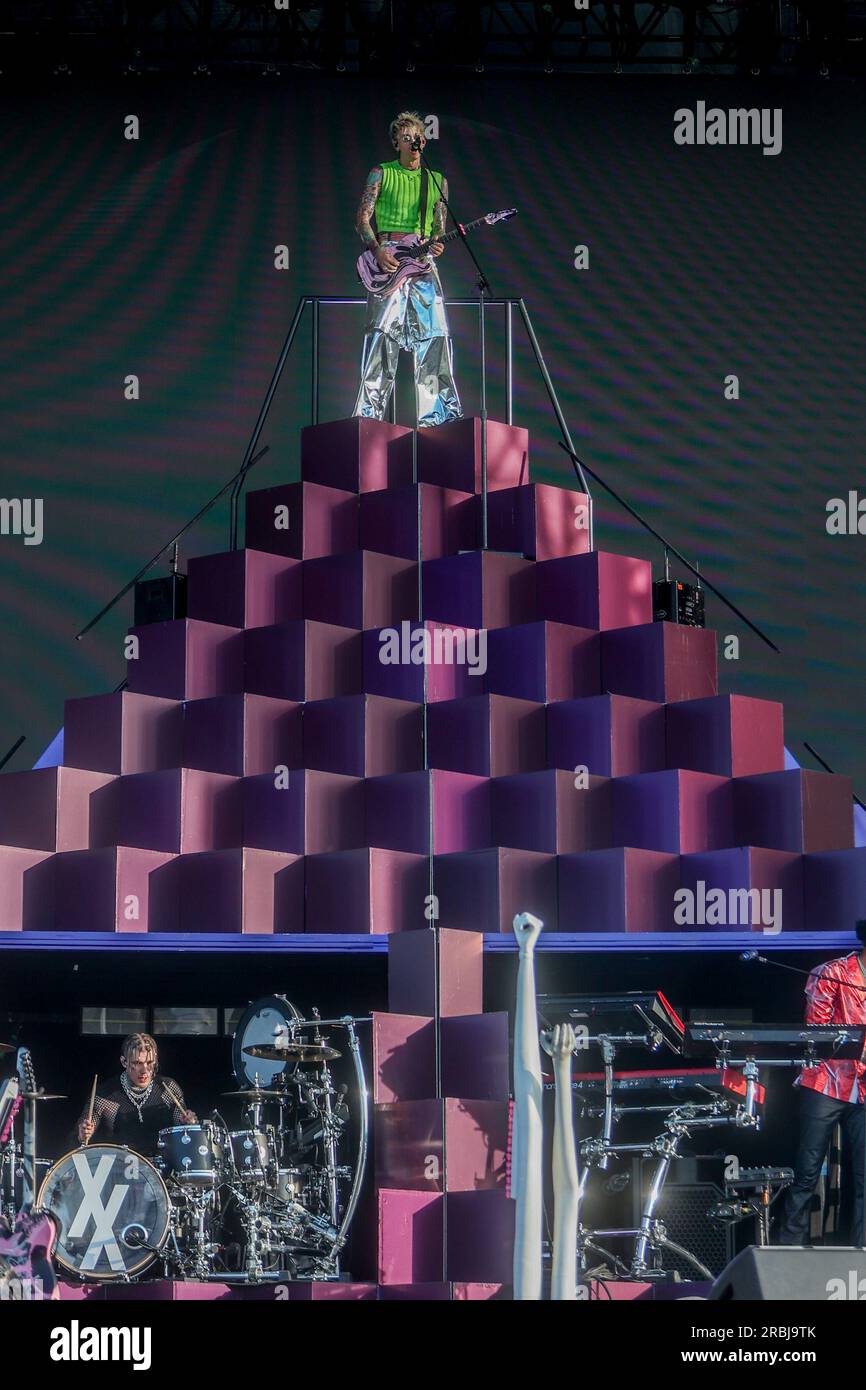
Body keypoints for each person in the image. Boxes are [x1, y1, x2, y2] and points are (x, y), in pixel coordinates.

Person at [353, 109, 463, 428]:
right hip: (388, 256)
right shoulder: (381, 173)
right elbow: (362, 219)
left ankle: (439, 418)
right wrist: (377, 251)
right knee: (380, 337)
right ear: (396, 142)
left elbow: (439, 228)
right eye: (405, 137)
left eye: (416, 136)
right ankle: (368, 418)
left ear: (422, 142)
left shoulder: (436, 180)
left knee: (435, 334)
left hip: (422, 262)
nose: (412, 141)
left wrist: (438, 243)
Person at [776, 920, 866, 1245]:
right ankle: (788, 1251)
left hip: (863, 1086)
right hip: (826, 1082)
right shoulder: (831, 972)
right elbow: (816, 1031)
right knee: (807, 1170)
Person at [75, 1033, 197, 1156]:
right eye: (137, 1063)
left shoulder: (168, 1088)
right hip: (118, 1167)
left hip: (162, 1169)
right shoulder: (105, 1095)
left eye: (149, 1062)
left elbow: (184, 1134)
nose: (144, 1070)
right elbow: (81, 1137)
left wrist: (188, 1124)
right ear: (124, 1062)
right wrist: (83, 1134)